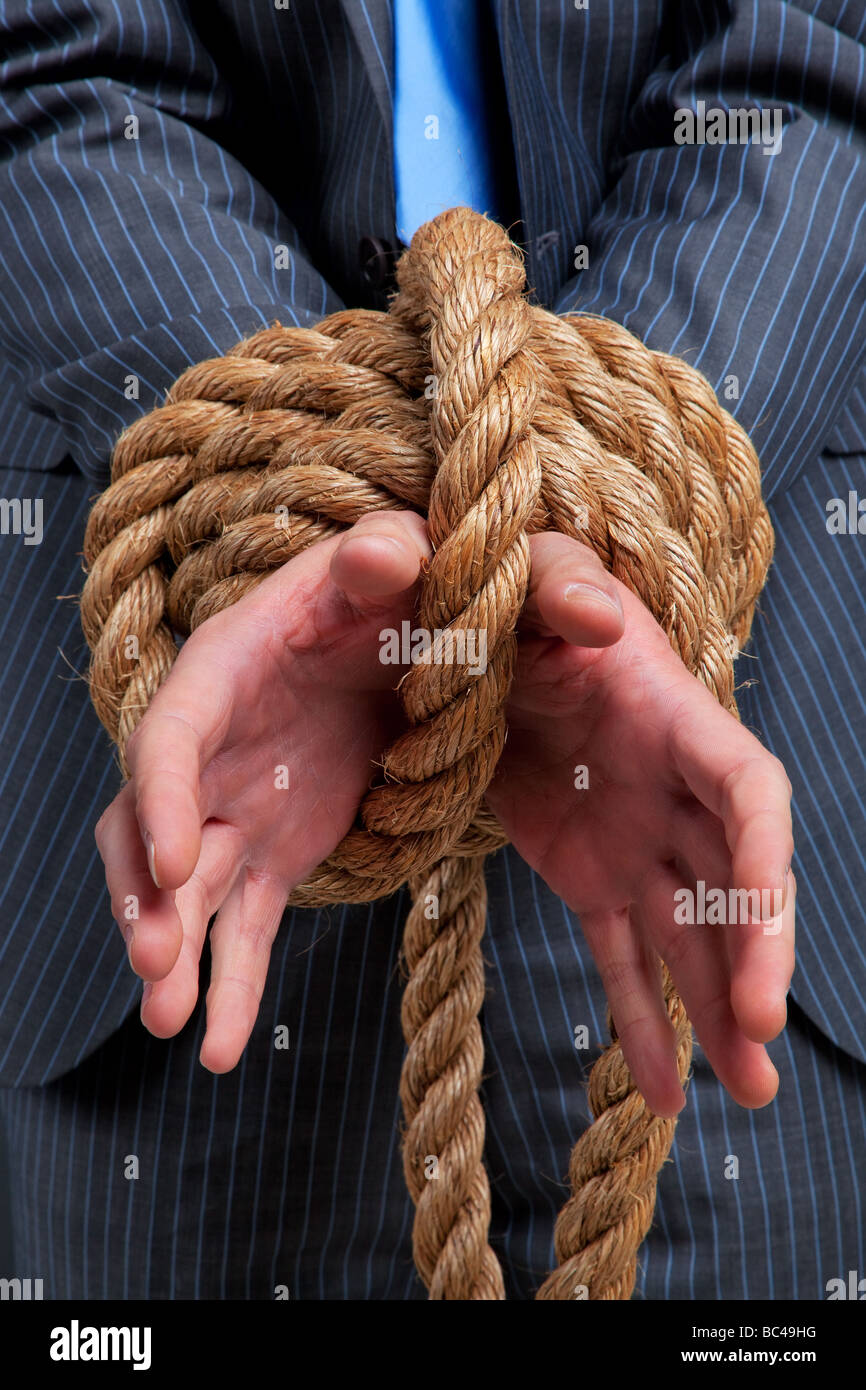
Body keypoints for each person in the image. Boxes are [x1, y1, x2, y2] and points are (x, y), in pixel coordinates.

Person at [0, 0, 863, 1301]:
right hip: (206, 821)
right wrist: (300, 504)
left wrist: (570, 503)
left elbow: (814, 42)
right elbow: (45, 58)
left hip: (717, 766)